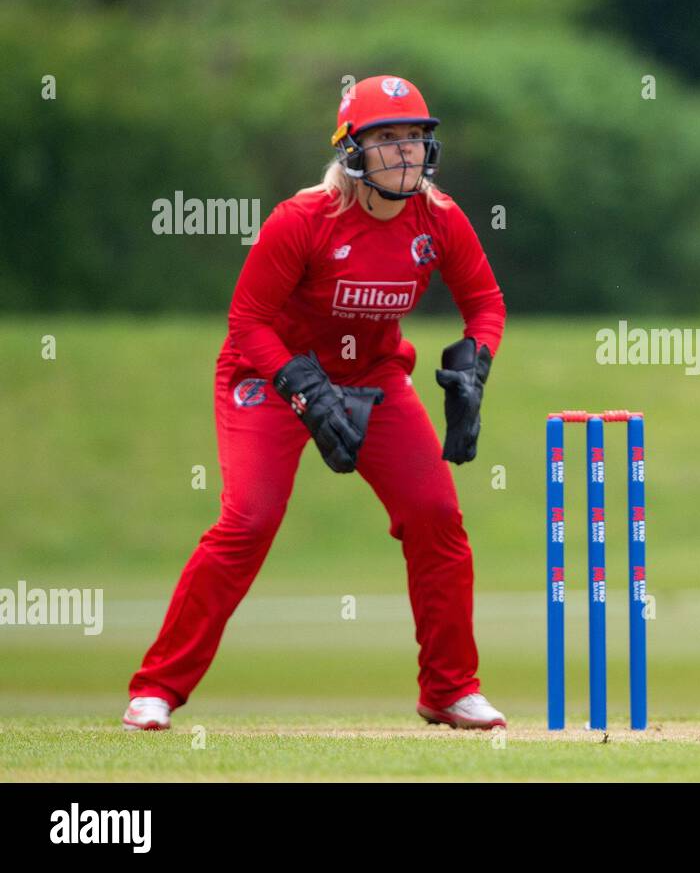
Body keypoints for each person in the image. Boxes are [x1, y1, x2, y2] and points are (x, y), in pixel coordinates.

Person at [123, 75, 508, 731]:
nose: (406, 152)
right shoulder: (304, 219)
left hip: (375, 373)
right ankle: (156, 687)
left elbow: (485, 304)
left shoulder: (439, 219)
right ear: (351, 151)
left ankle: (449, 689)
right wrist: (301, 387)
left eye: (415, 138)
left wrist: (477, 360)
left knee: (435, 512)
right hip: (268, 375)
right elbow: (247, 321)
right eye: (388, 139)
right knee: (248, 521)